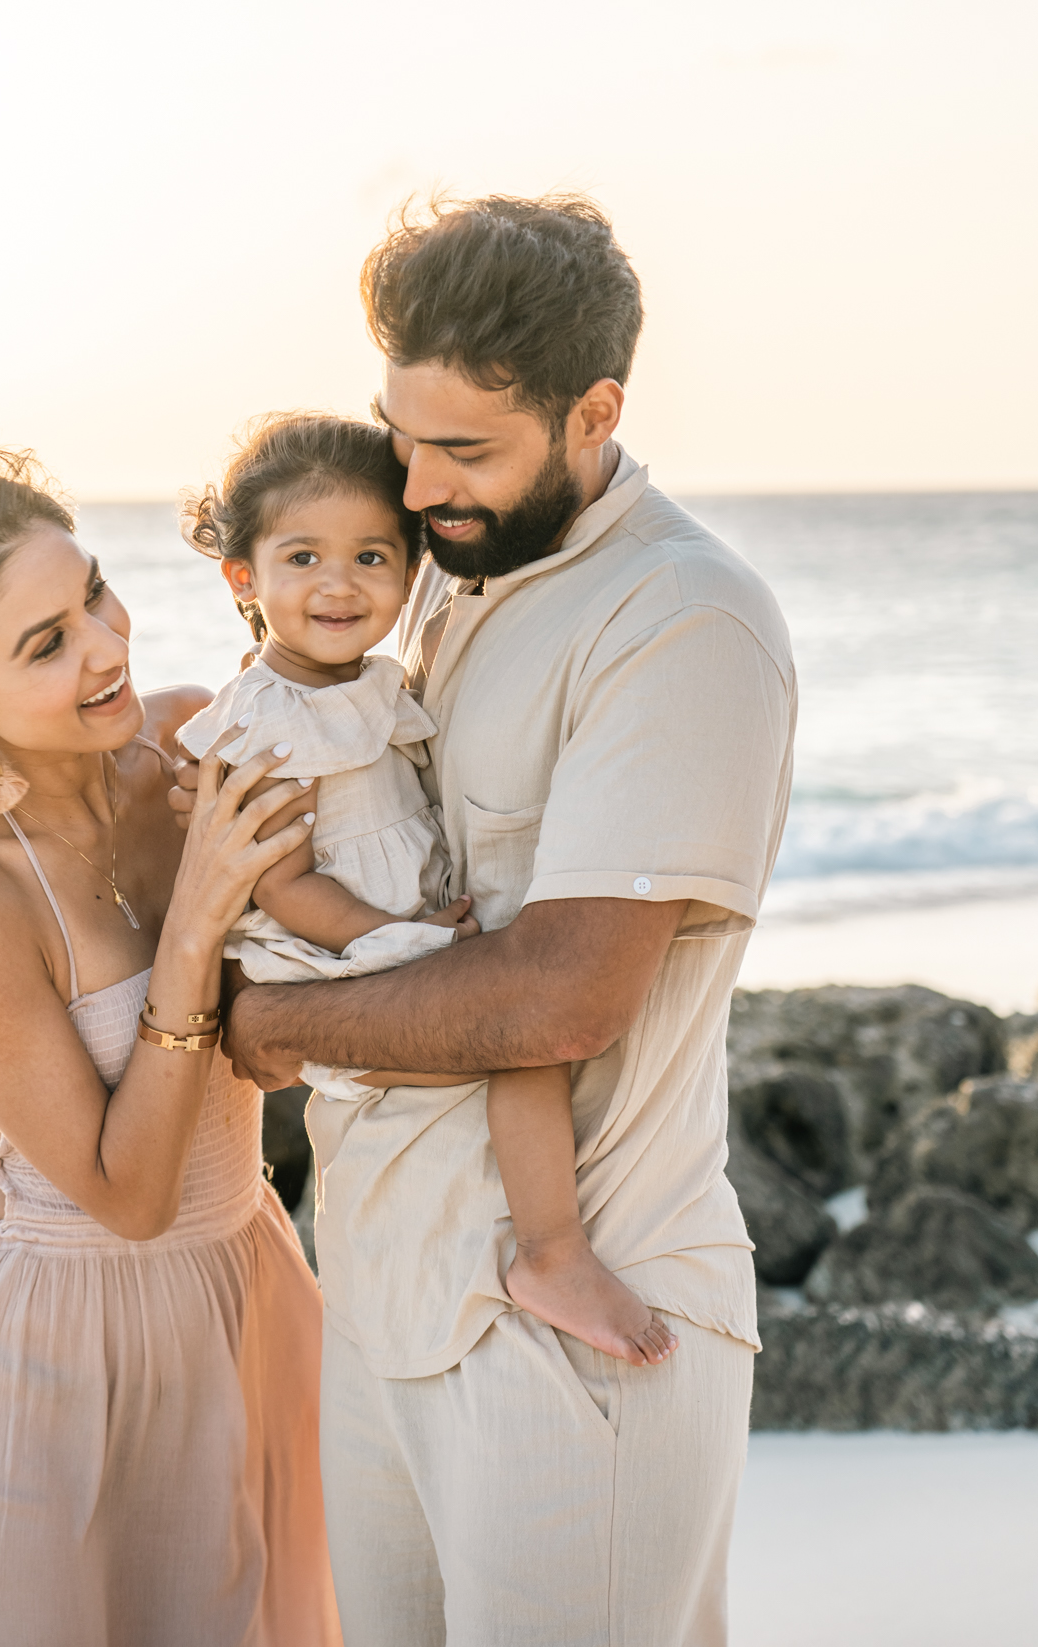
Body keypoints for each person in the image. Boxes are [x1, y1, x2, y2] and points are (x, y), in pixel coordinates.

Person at [177, 196, 797, 1647]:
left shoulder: (679, 617)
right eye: (406, 438)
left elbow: (560, 998)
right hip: (384, 1293)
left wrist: (260, 1019)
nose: (419, 486)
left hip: (576, 1326)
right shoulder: (450, 583)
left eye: (467, 452)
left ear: (595, 413)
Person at [0, 446, 341, 1647]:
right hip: (42, 1369)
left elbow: (300, 1028)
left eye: (91, 591)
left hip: (248, 1295)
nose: (105, 646)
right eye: (44, 643)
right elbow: (127, 1195)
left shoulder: (201, 739)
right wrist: (198, 915)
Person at [176, 409, 676, 1366]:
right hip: (329, 953)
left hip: (382, 931)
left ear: (411, 573)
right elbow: (283, 885)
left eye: (372, 559)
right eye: (303, 558)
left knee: (514, 1038)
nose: (339, 584)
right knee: (518, 1046)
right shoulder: (264, 721)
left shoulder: (374, 682)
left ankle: (538, 1243)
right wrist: (401, 937)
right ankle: (552, 1253)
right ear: (245, 575)